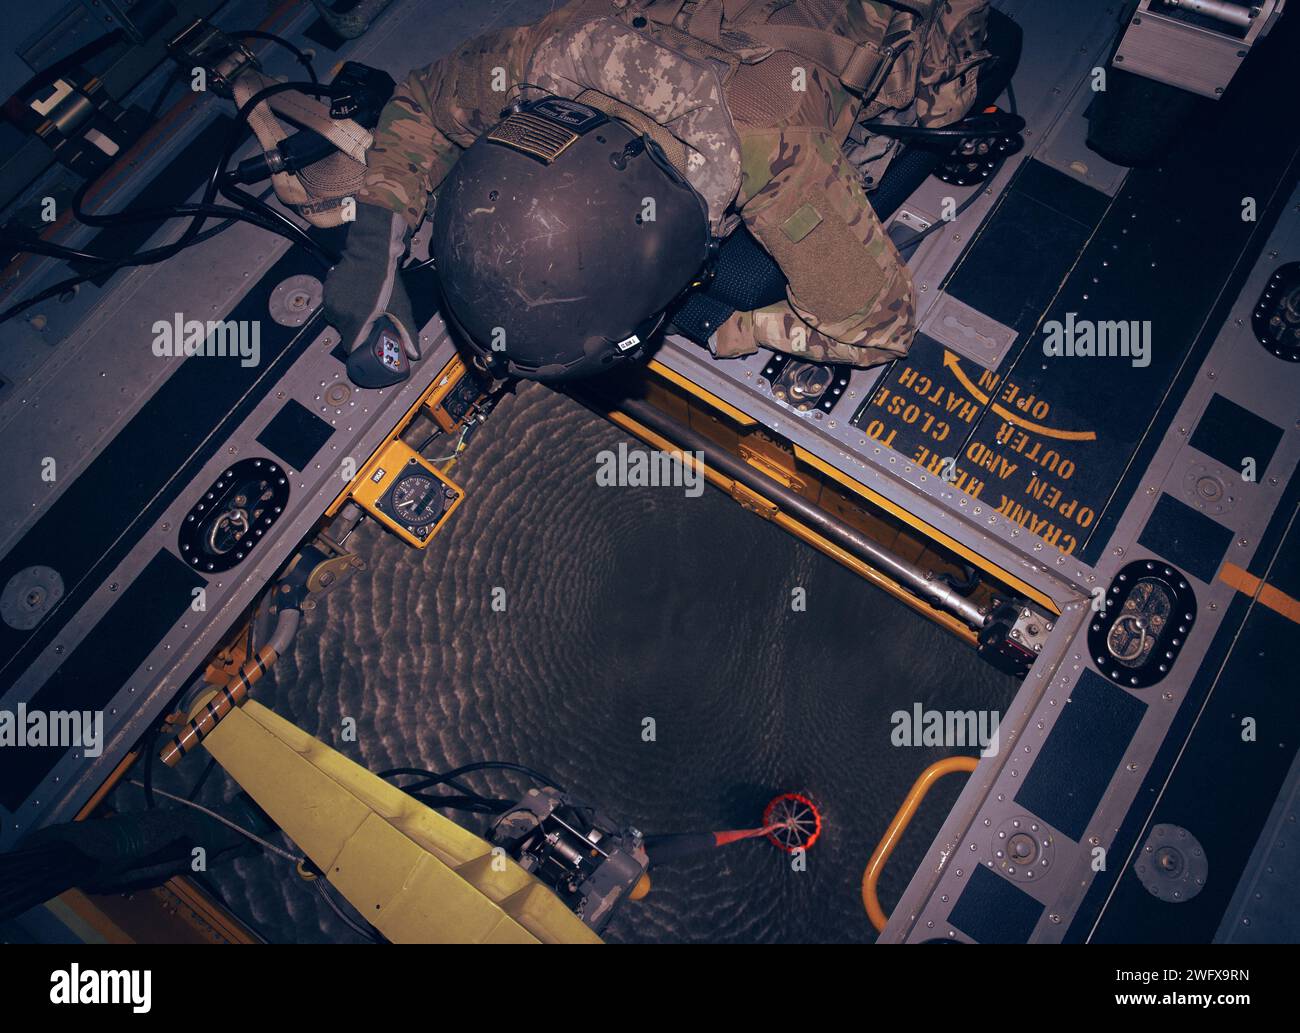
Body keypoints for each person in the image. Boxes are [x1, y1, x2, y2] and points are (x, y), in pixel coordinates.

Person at [324, 0, 991, 383]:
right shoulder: (551, 55)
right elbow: (423, 99)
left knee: (941, 101)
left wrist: (744, 328)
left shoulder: (774, 157)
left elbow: (879, 329)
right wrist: (374, 241)